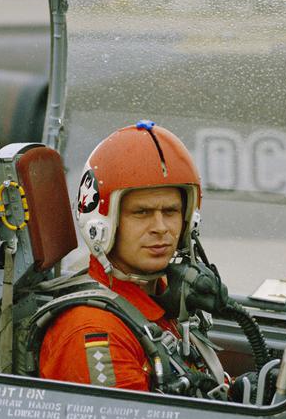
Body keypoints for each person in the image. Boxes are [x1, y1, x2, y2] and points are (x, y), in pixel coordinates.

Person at [38, 120, 226, 394]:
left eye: (171, 211)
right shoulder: (93, 330)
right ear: (103, 222)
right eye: (142, 213)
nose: (161, 227)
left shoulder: (167, 303)